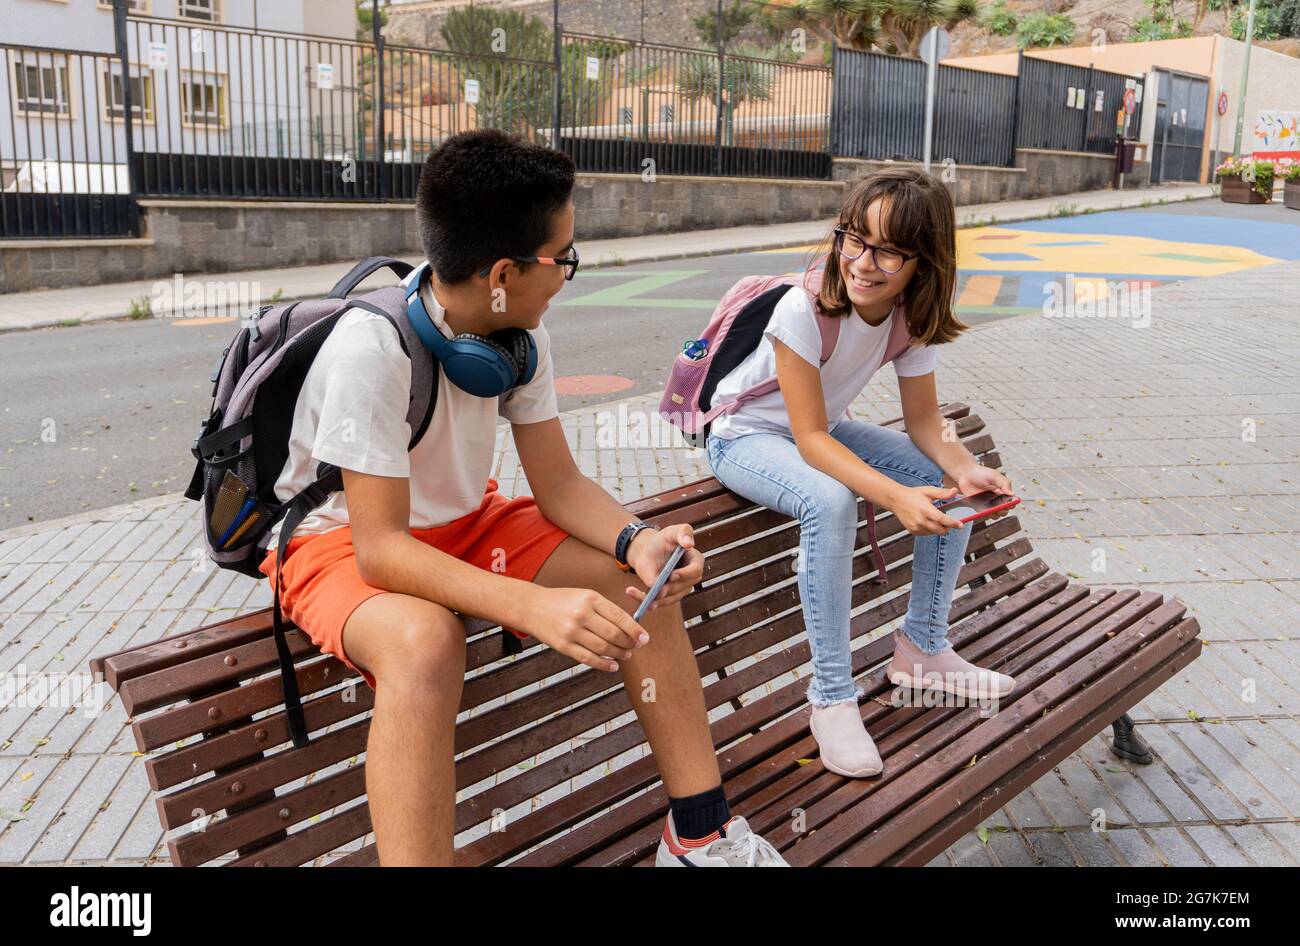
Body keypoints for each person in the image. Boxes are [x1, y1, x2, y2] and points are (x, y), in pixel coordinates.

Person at [261, 129, 785, 866]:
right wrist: (529, 605)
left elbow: (561, 486)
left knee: (645, 582)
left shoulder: (521, 335)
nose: (570, 272)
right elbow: (381, 551)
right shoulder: (369, 349)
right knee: (425, 643)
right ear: (504, 270)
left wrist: (639, 540)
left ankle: (699, 836)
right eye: (564, 258)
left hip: (468, 522)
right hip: (339, 542)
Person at [703, 168, 1017, 780]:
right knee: (830, 503)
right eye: (855, 238)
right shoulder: (804, 305)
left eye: (889, 251)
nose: (863, 262)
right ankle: (831, 698)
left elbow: (926, 422)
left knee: (946, 482)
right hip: (745, 435)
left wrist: (965, 467)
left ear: (922, 263)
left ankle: (923, 649)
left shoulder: (910, 317)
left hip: (820, 427)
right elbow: (811, 440)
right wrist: (897, 497)